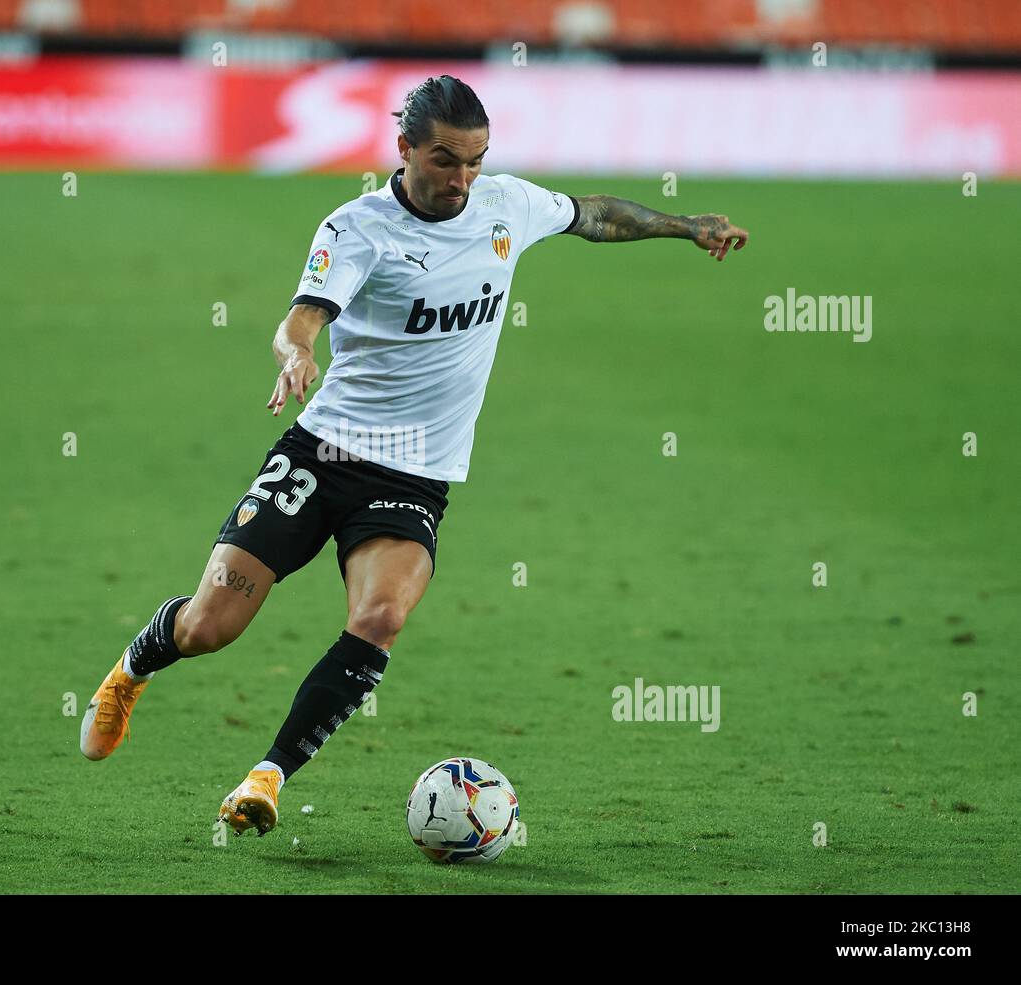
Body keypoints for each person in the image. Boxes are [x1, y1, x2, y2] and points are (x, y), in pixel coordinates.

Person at [79, 74, 749, 836]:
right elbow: (303, 317)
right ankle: (131, 669)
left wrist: (686, 225)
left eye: (475, 160)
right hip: (324, 452)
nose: (462, 178)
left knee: (381, 615)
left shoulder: (505, 205)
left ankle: (267, 776)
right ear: (403, 148)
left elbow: (593, 215)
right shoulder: (357, 228)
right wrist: (296, 354)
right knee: (210, 626)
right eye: (445, 160)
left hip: (414, 473)